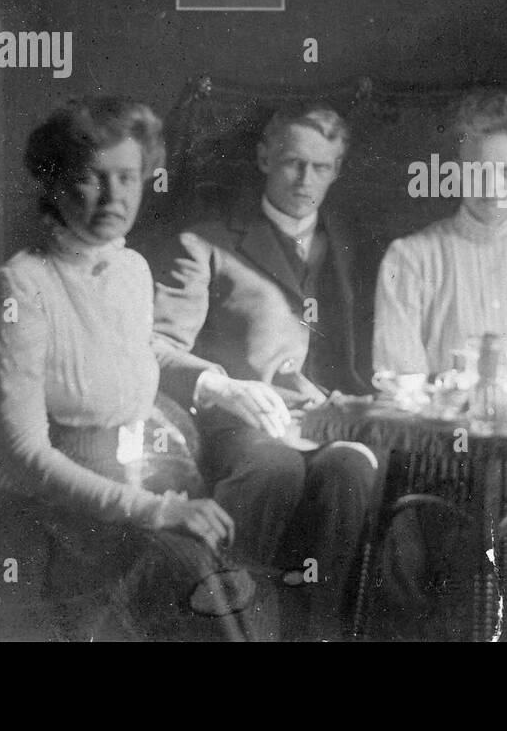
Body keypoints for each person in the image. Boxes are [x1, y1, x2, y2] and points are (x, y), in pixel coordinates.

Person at [0, 96, 275, 641]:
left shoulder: (128, 267)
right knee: (192, 573)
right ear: (54, 181)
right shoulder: (20, 288)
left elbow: (129, 351)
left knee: (238, 558)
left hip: (143, 471)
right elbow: (25, 458)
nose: (114, 197)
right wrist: (152, 510)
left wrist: (216, 384)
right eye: (92, 177)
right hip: (67, 496)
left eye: (129, 177)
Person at [145, 102, 376, 640]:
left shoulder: (354, 247)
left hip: (332, 422)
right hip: (243, 424)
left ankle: (318, 635)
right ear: (264, 157)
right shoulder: (205, 243)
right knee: (274, 468)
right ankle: (235, 632)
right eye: (293, 162)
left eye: (321, 168)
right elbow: (155, 345)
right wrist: (222, 385)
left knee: (352, 471)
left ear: (337, 171)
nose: (304, 180)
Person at [374, 90, 507, 376]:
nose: (492, 186)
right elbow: (401, 376)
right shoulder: (410, 258)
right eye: (478, 171)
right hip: (437, 420)